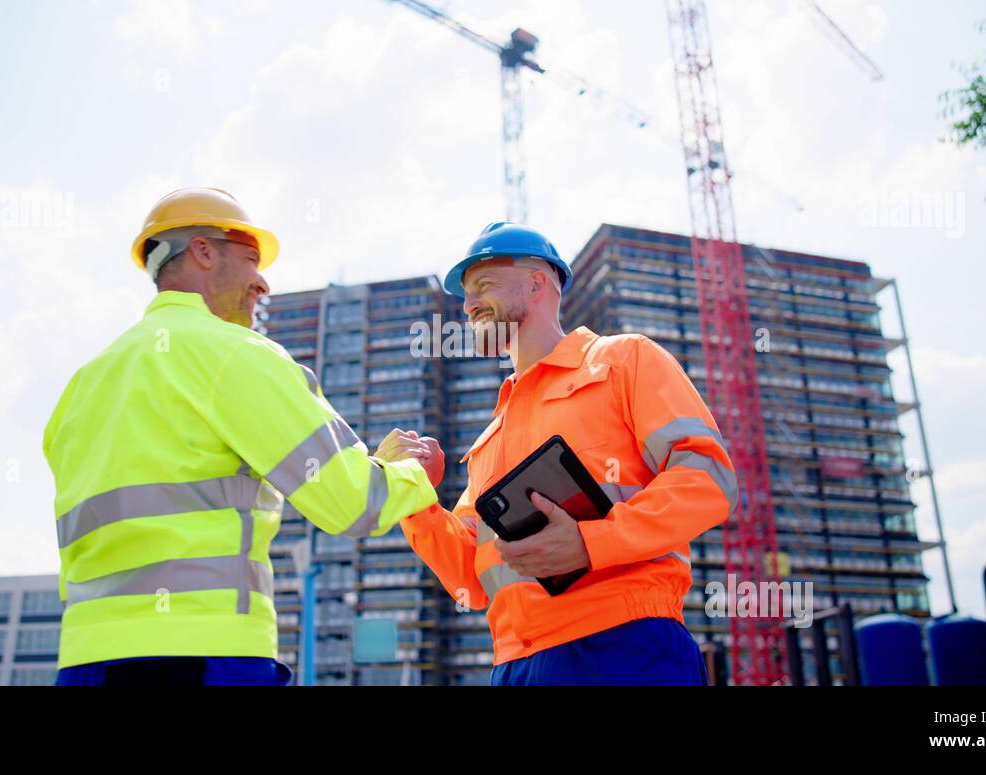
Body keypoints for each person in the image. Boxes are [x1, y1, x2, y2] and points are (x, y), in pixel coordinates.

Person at [43, 187, 440, 686]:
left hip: (84, 659)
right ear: (203, 251)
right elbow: (353, 501)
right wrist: (410, 472)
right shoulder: (234, 355)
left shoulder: (83, 385)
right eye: (251, 259)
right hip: (203, 656)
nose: (264, 283)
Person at [391, 221, 737, 685]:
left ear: (537, 282)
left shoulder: (624, 361)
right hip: (515, 664)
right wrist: (415, 497)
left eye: (483, 285)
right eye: (466, 294)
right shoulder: (492, 436)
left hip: (623, 646)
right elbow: (472, 582)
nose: (468, 304)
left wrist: (592, 543)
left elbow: (708, 480)